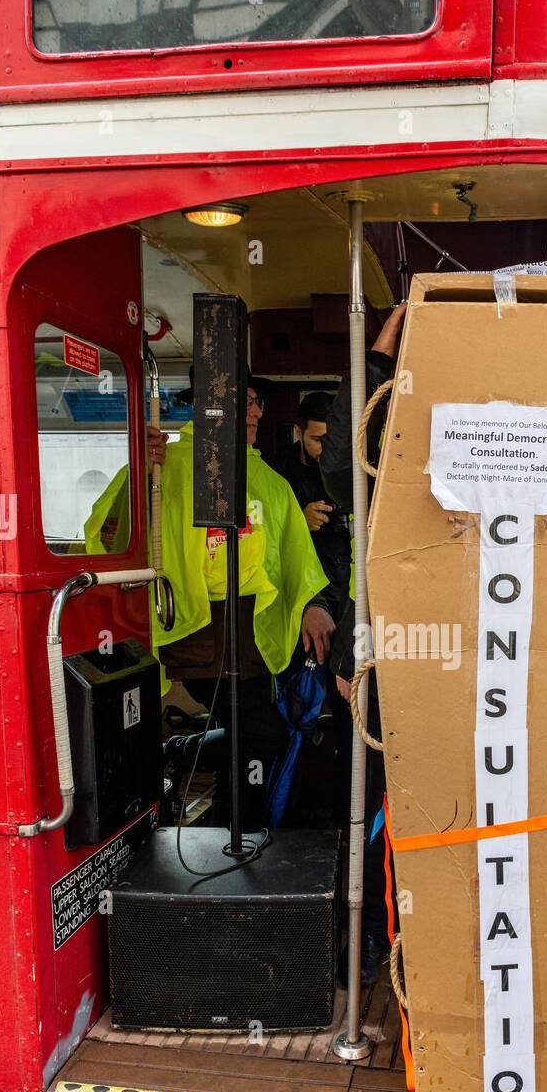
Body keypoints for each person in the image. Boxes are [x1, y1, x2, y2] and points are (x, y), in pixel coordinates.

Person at [86, 378, 335, 829]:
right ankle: (231, 826)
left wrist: (315, 603)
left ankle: (225, 816)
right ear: (208, 409)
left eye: (258, 403)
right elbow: (110, 537)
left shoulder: (269, 481)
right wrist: (140, 473)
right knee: (260, 733)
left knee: (255, 735)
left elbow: (297, 555)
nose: (257, 412)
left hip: (254, 635)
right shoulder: (167, 465)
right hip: (194, 630)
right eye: (246, 403)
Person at [319, 303, 407, 985]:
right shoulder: (371, 483)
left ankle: (386, 939)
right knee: (374, 810)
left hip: (420, 660)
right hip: (385, 660)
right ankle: (371, 941)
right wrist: (378, 358)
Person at [282, 391, 351, 605]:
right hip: (301, 592)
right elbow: (263, 538)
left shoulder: (352, 470)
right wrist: (300, 521)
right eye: (317, 440)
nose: (327, 448)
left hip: (347, 586)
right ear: (297, 432)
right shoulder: (278, 474)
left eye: (331, 440)